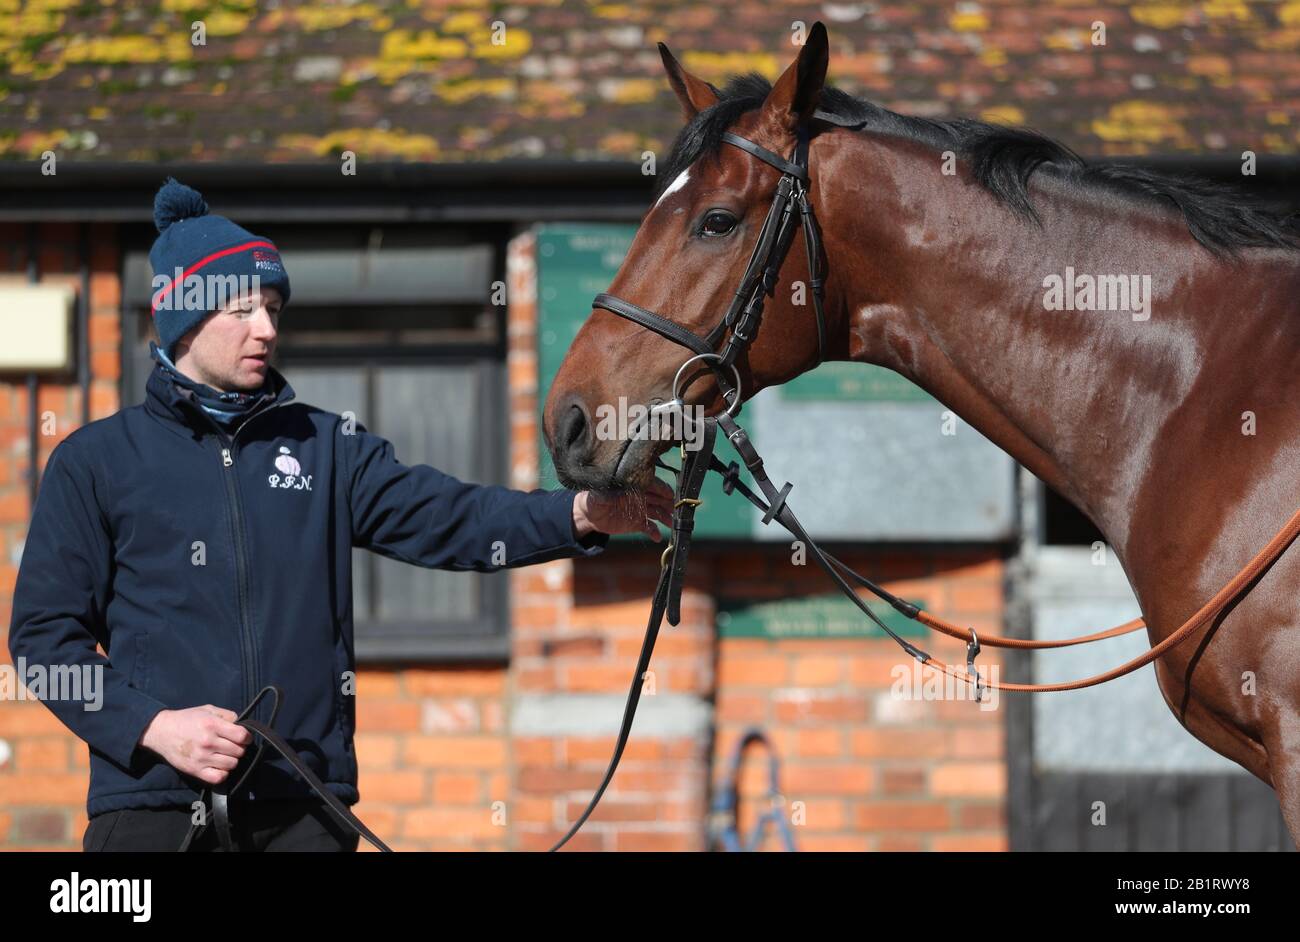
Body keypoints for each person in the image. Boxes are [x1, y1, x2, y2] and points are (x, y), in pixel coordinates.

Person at [7, 179, 673, 852]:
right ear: (184, 318)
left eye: (272, 307)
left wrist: (583, 514)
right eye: (242, 309)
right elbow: (42, 640)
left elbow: (455, 519)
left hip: (304, 808)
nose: (266, 327)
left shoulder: (328, 447)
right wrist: (152, 726)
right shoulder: (96, 462)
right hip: (151, 811)